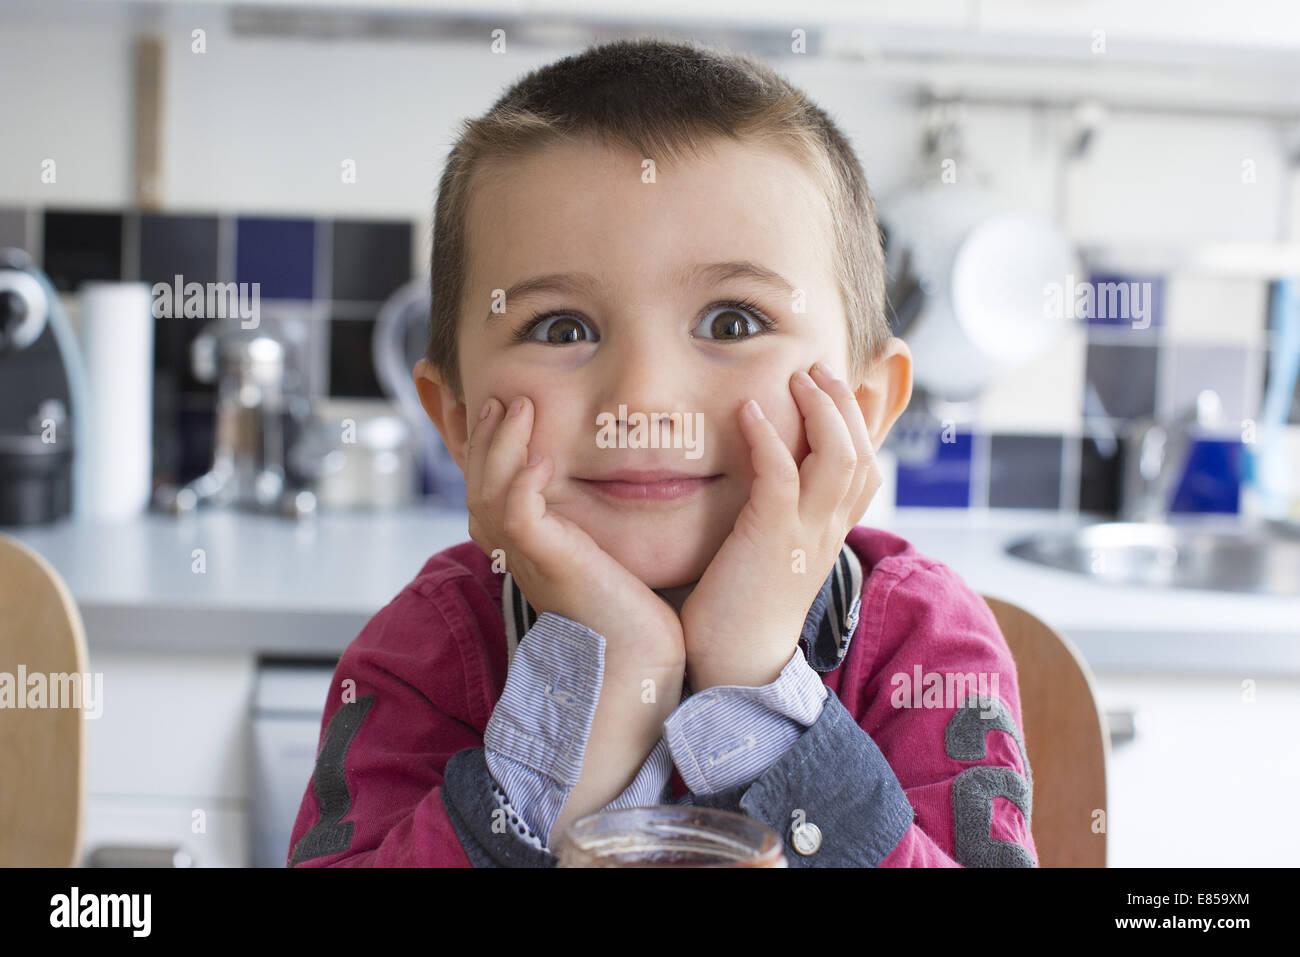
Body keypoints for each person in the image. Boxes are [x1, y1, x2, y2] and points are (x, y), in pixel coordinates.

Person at [287, 37, 1036, 867]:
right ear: (459, 421)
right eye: (561, 328)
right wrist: (602, 690)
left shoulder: (923, 641)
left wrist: (752, 683)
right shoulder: (425, 649)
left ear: (862, 406)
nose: (642, 402)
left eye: (732, 322)